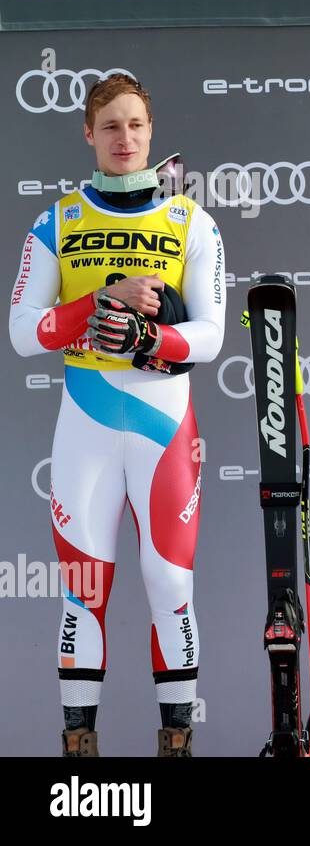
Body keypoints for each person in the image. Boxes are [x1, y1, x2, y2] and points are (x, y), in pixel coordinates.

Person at [8, 73, 226, 757]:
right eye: (110, 126)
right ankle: (80, 754)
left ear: (151, 132)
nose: (124, 138)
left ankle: (178, 743)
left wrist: (149, 341)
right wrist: (104, 297)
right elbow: (22, 331)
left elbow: (214, 334)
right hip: (88, 427)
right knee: (83, 588)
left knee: (169, 581)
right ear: (88, 135)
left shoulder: (190, 221)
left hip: (165, 427)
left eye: (135, 125)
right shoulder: (58, 221)